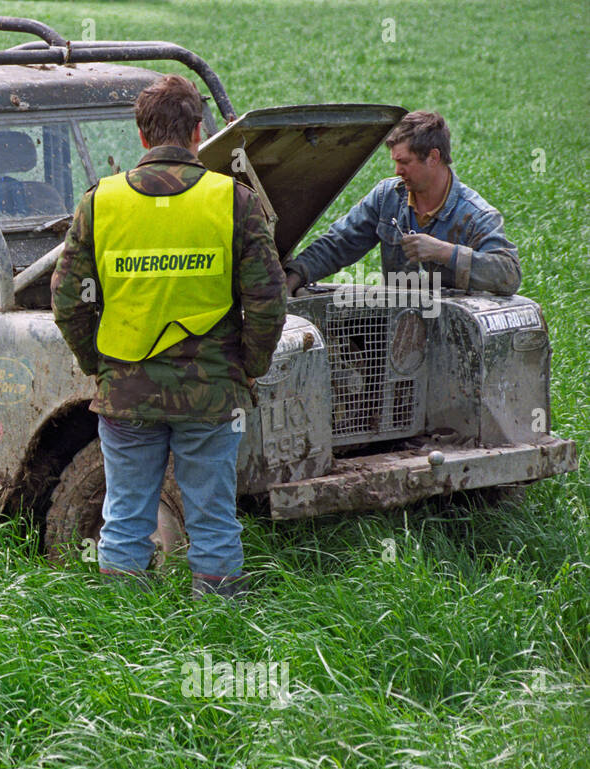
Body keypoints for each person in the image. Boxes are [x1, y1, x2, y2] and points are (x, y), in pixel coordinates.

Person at [51, 74, 287, 599]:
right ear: (198, 131)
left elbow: (67, 301)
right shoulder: (235, 202)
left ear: (141, 136)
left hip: (127, 393)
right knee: (213, 518)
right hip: (211, 393)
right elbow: (269, 301)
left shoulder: (99, 203)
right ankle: (220, 630)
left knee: (125, 516)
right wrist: (248, 364)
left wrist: (100, 364)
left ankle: (124, 638)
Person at [284, 110, 520, 297]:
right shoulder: (387, 197)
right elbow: (340, 243)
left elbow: (508, 274)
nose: (397, 171)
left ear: (433, 158)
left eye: (404, 162)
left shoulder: (476, 215)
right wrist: (293, 277)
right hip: (399, 332)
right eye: (395, 162)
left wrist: (444, 253)